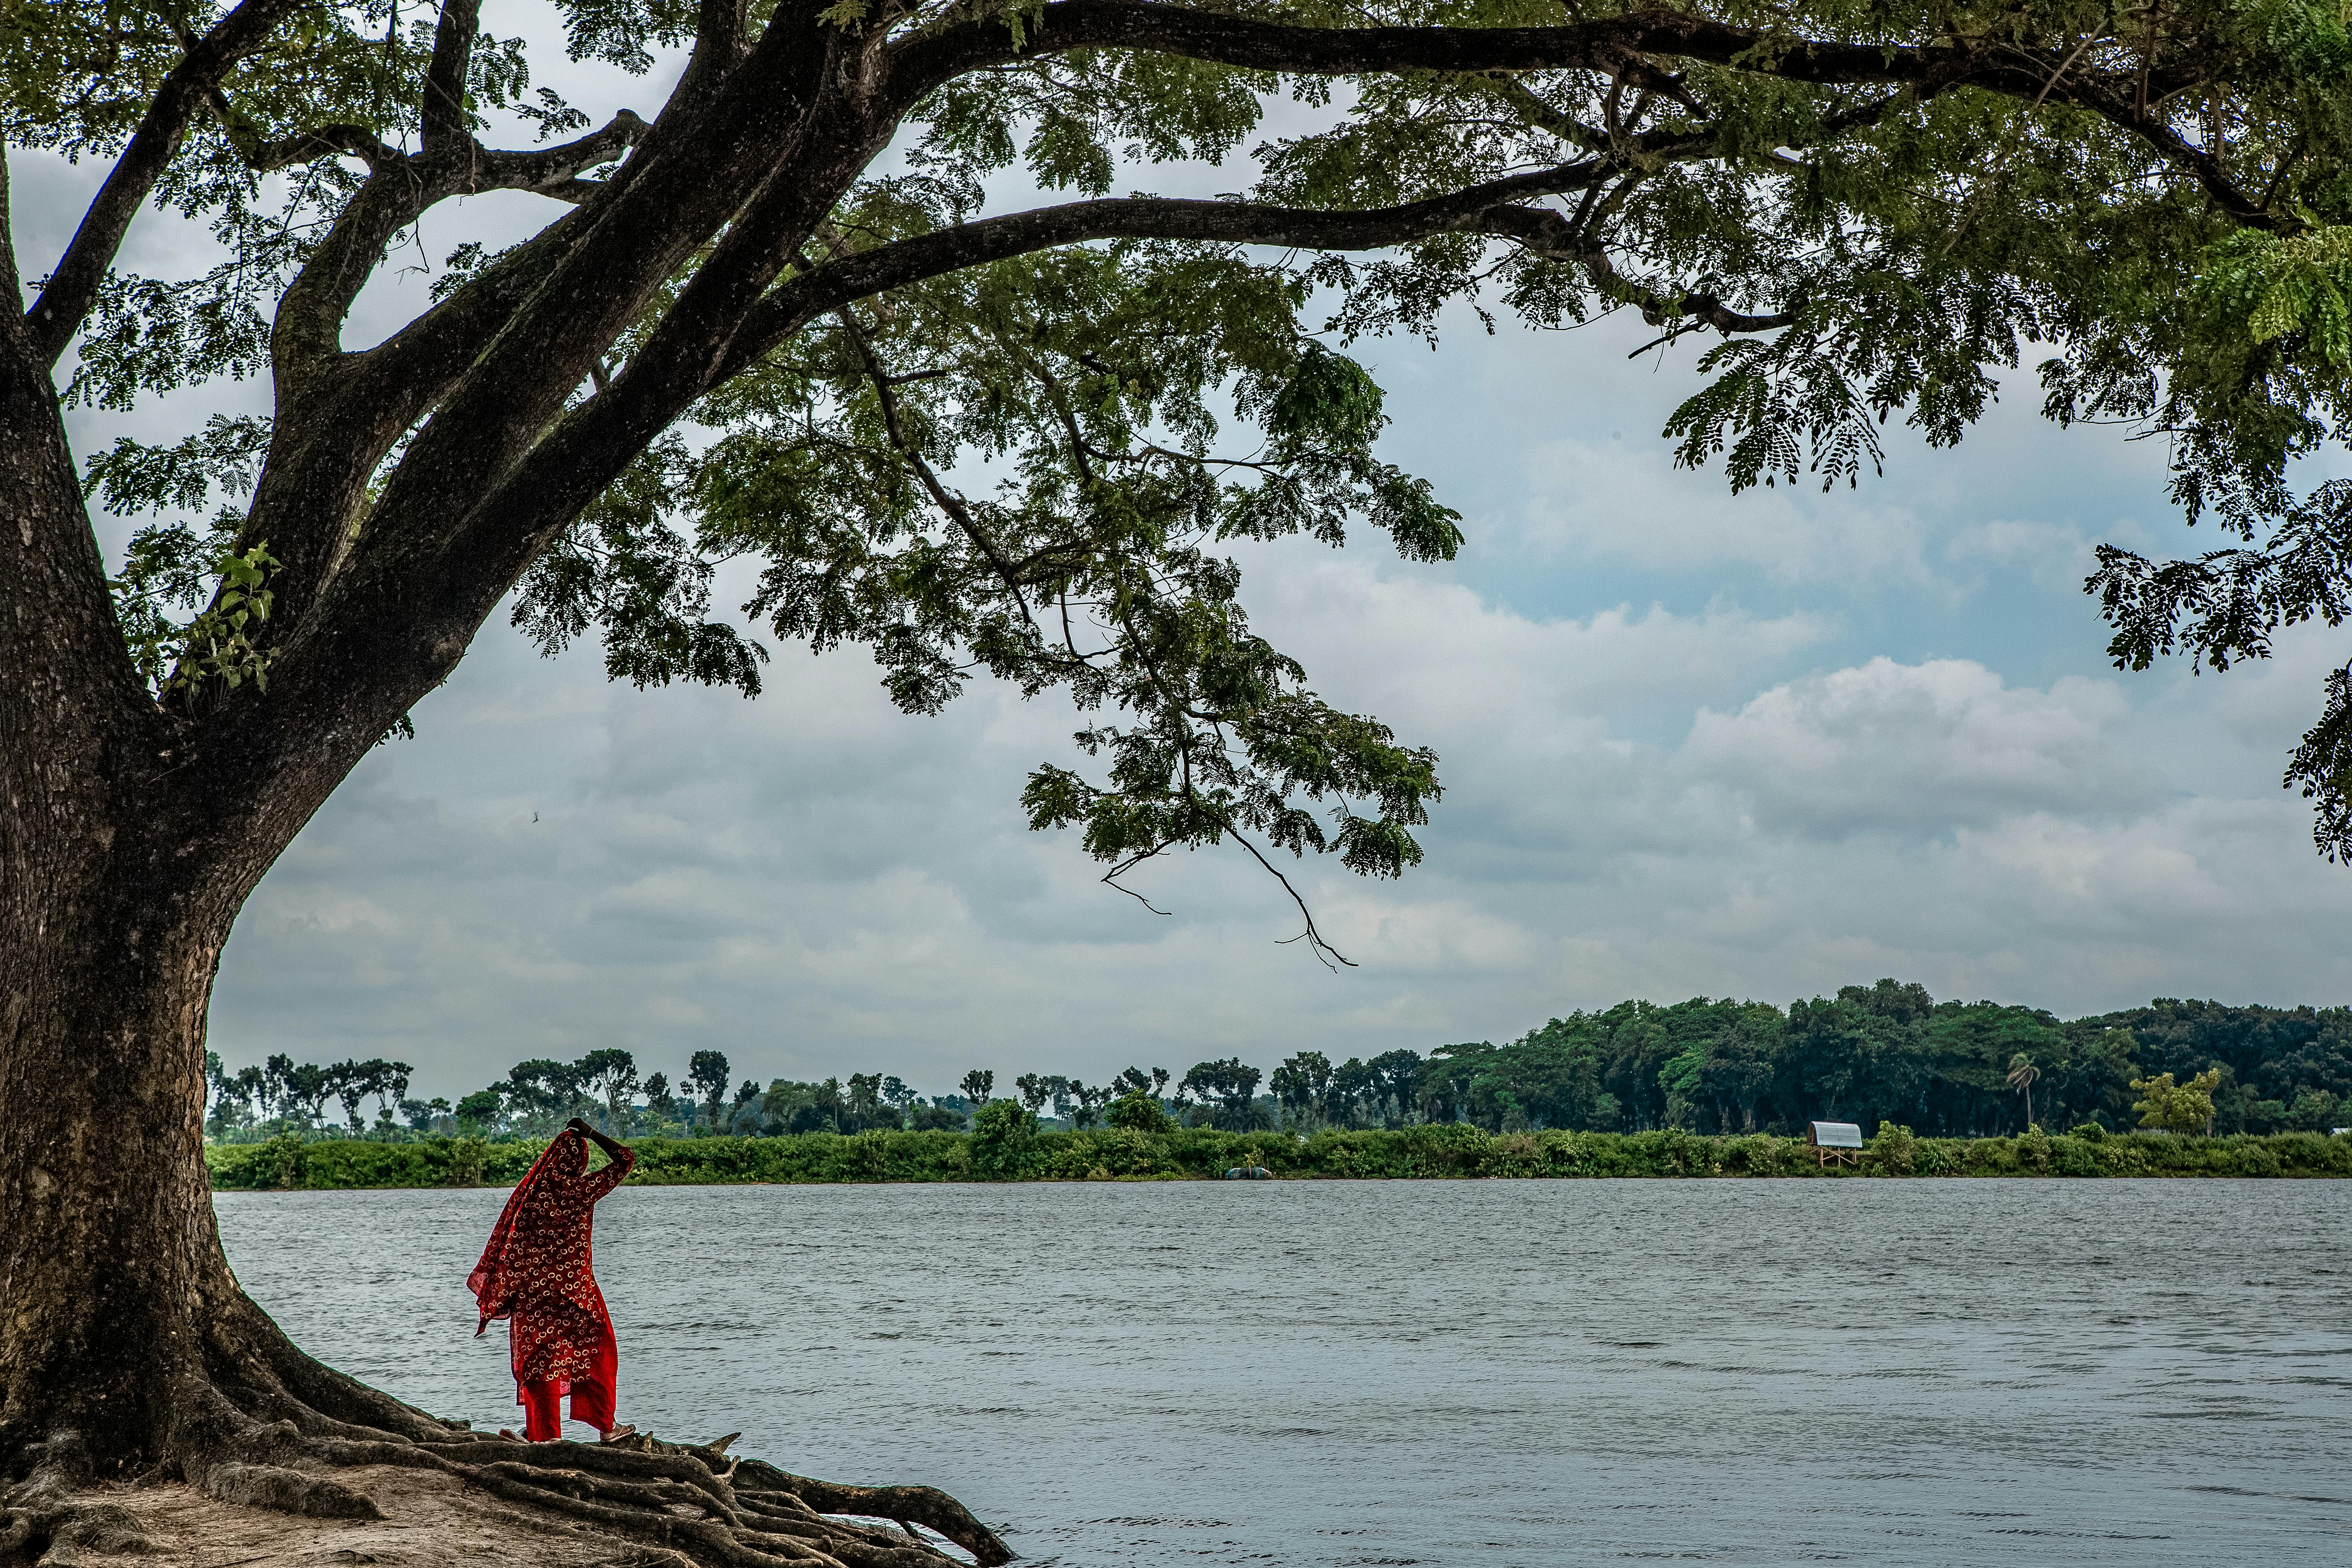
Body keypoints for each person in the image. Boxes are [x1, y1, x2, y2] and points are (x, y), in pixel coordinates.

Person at [466, 1116, 637, 1443]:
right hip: (575, 1292)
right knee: (598, 1350)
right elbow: (625, 1159)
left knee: (541, 1364)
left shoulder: (531, 1195)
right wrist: (590, 1132)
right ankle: (606, 1427)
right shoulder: (580, 1190)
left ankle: (542, 1435)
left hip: (532, 1294)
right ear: (580, 1162)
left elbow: (511, 1247)